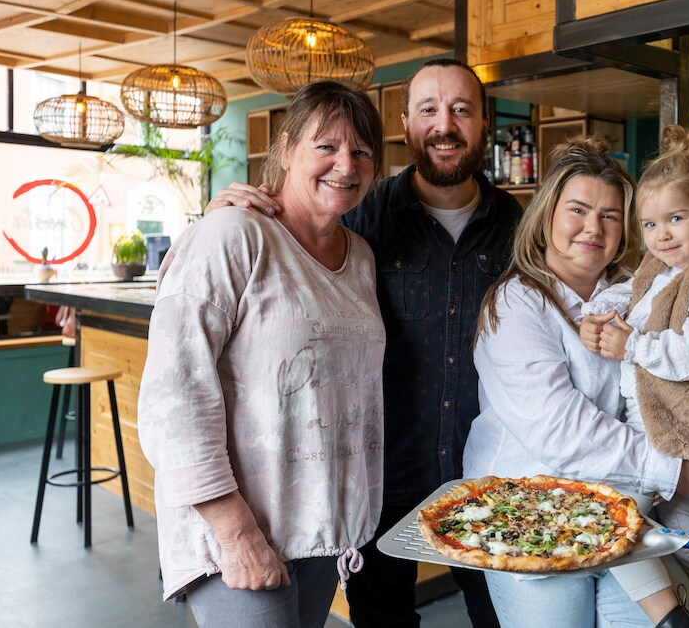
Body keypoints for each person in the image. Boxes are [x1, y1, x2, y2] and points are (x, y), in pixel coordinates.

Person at [206, 59, 520, 627]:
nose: (444, 124)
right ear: (405, 122)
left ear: (484, 123)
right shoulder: (361, 214)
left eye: (461, 109)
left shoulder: (519, 225)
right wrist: (227, 218)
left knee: (503, 618)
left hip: (490, 473)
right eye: (428, 109)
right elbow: (290, 246)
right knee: (381, 621)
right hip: (380, 477)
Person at [138, 80, 386, 627]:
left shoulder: (361, 257)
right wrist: (234, 529)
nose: (346, 164)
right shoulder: (233, 234)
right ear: (287, 147)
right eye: (326, 146)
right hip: (237, 531)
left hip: (322, 527)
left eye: (362, 151)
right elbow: (173, 396)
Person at [463, 135, 689, 628]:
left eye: (610, 216)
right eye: (577, 210)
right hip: (529, 517)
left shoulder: (634, 299)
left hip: (623, 513)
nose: (592, 228)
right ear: (546, 216)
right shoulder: (516, 304)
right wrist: (674, 470)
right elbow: (561, 431)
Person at [578, 125, 689, 628]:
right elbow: (627, 293)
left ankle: (673, 620)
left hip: (677, 432)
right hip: (656, 429)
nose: (662, 235)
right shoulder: (659, 269)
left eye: (676, 218)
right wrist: (599, 313)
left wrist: (634, 346)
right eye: (649, 225)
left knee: (605, 522)